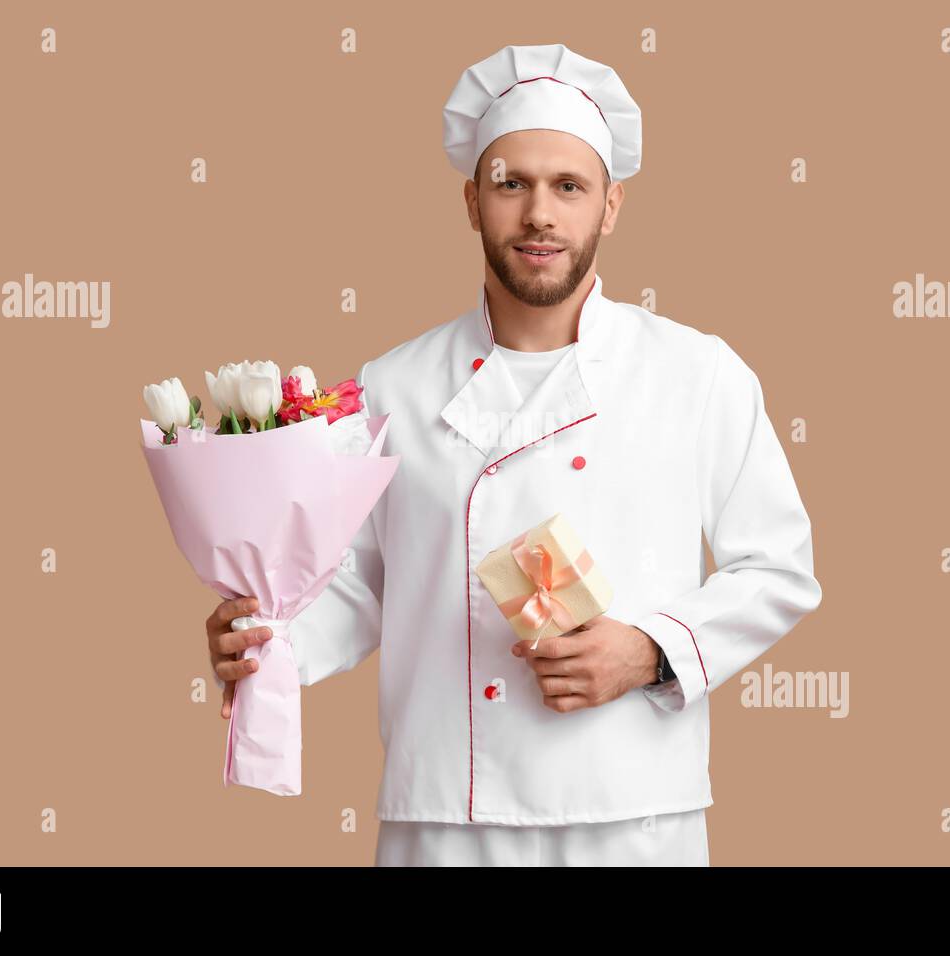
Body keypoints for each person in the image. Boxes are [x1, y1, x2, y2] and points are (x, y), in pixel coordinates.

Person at [205, 43, 823, 866]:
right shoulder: (392, 384)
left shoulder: (697, 374)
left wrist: (650, 651)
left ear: (610, 206)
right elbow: (359, 583)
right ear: (472, 201)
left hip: (632, 815)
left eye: (569, 186)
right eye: (511, 184)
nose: (539, 215)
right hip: (444, 817)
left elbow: (779, 568)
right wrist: (268, 637)